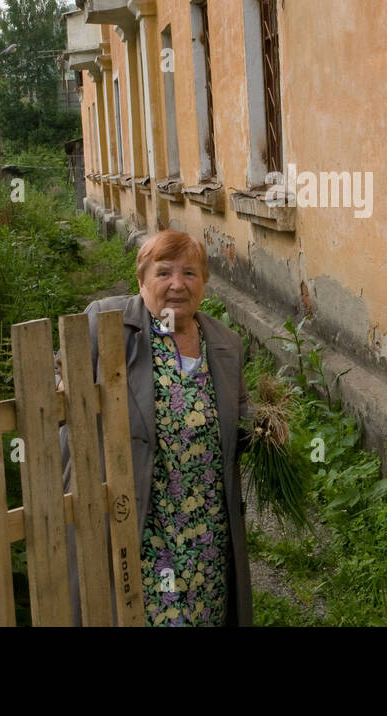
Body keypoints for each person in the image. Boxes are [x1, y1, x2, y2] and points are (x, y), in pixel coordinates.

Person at [57, 230, 255, 626]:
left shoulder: (224, 343)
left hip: (205, 530)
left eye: (190, 273)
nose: (177, 284)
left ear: (204, 283)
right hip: (139, 524)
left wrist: (266, 431)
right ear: (142, 279)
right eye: (163, 272)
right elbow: (63, 380)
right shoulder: (109, 323)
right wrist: (61, 383)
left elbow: (240, 423)